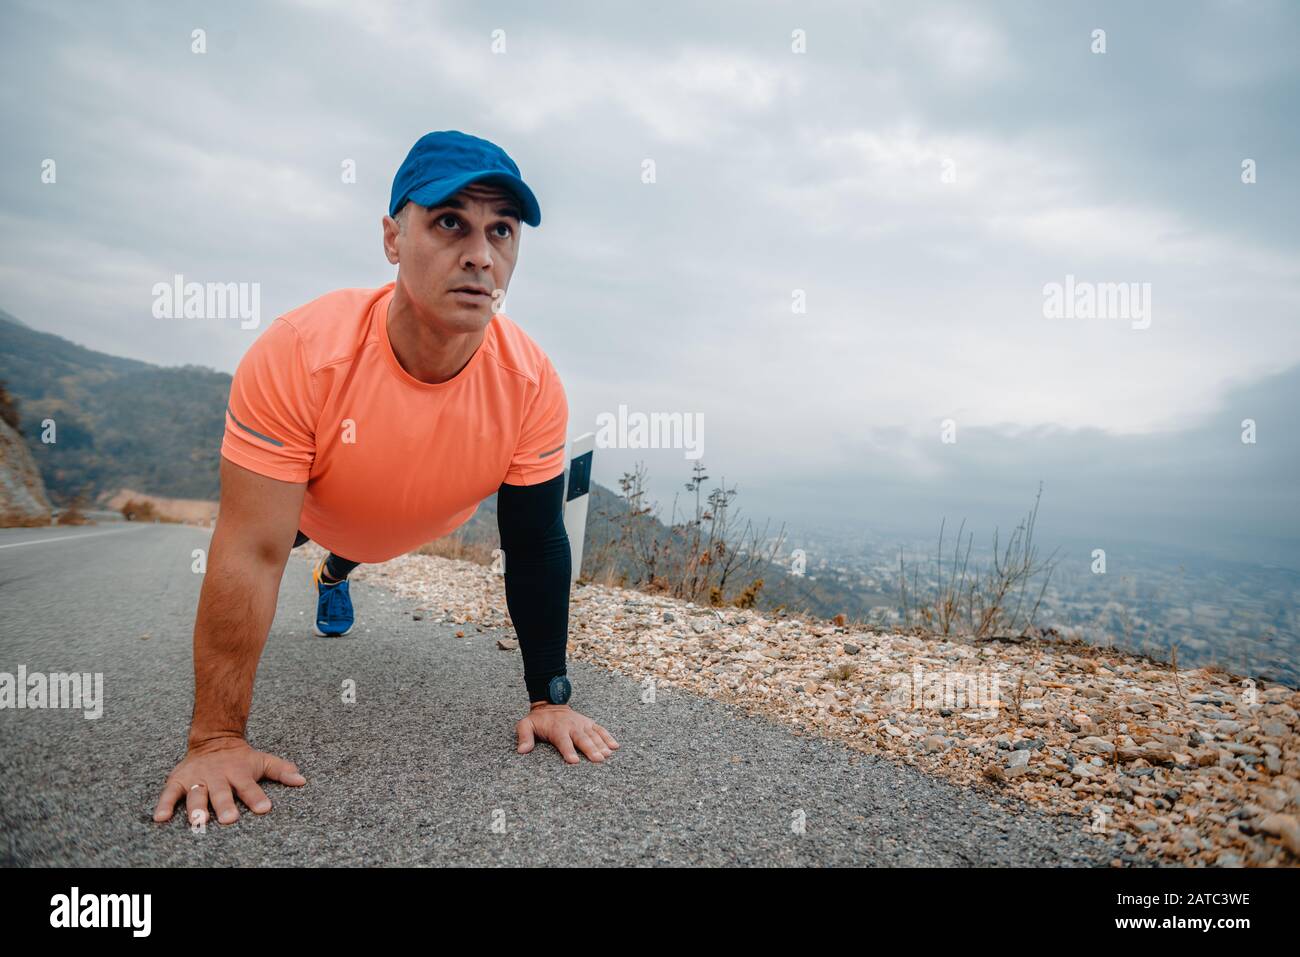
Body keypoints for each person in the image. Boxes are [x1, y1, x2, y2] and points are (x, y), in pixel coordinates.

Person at [153, 130, 618, 828]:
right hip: (322, 503)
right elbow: (252, 548)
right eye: (450, 221)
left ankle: (339, 573)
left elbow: (534, 543)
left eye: (502, 231)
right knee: (312, 534)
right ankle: (334, 564)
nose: (480, 255)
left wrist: (550, 696)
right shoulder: (300, 355)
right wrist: (215, 738)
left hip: (425, 514)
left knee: (367, 543)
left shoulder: (531, 383)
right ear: (392, 238)